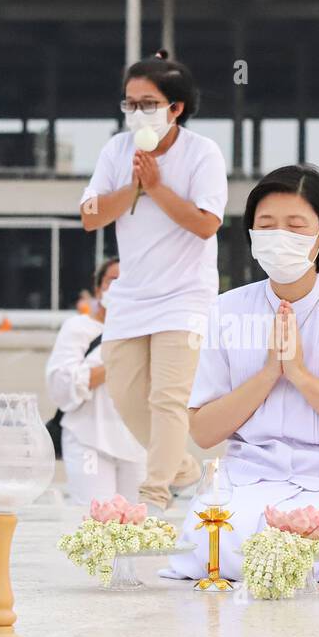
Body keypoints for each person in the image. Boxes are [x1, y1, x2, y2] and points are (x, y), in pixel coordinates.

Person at [166, 165, 319, 583]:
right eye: (266, 225)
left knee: (302, 550)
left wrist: (302, 376)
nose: (279, 237)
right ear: (252, 234)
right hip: (250, 482)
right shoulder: (227, 310)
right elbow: (202, 431)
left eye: (295, 225)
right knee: (210, 545)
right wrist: (270, 372)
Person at [80, 50, 227, 515]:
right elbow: (89, 217)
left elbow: (206, 224)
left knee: (169, 398)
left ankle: (155, 495)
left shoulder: (203, 152)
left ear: (175, 108)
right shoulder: (116, 152)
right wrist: (135, 187)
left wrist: (159, 187)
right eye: (129, 104)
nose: (137, 113)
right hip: (132, 296)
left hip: (185, 295)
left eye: (148, 103)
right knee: (125, 395)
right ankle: (183, 470)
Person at [45, 257, 147, 508]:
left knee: (135, 522)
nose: (120, 286)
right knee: (96, 519)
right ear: (99, 287)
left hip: (136, 440)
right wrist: (117, 360)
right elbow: (61, 385)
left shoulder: (149, 331)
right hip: (88, 436)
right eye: (113, 280)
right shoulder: (78, 328)